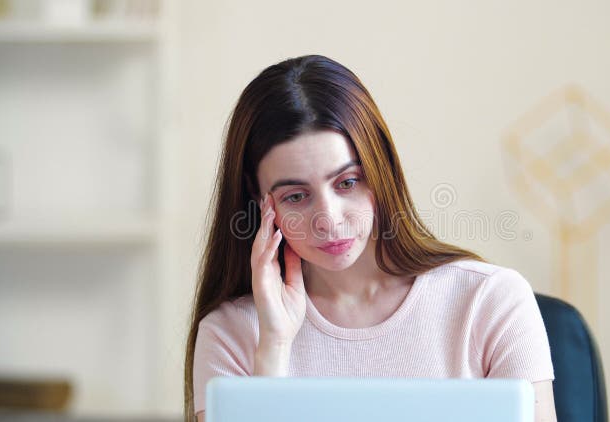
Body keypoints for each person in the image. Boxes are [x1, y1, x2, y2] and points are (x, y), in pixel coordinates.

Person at [183, 54, 556, 422]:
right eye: (295, 197)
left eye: (347, 183)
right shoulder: (231, 332)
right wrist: (275, 348)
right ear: (260, 200)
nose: (328, 220)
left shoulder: (490, 302)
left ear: (380, 173)